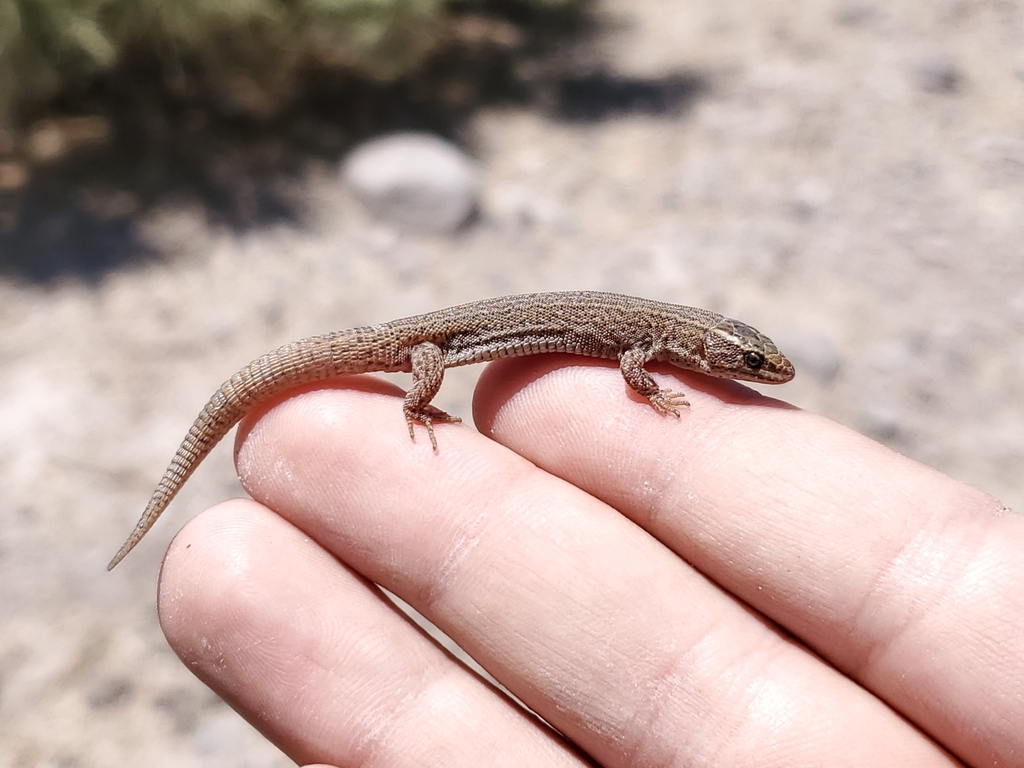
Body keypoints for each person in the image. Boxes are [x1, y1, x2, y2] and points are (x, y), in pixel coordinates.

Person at [156, 357, 1023, 767]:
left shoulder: (669, 335)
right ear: (717, 353)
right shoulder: (652, 345)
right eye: (754, 364)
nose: (767, 373)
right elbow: (636, 370)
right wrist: (421, 397)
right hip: (433, 341)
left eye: (758, 363)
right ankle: (414, 403)